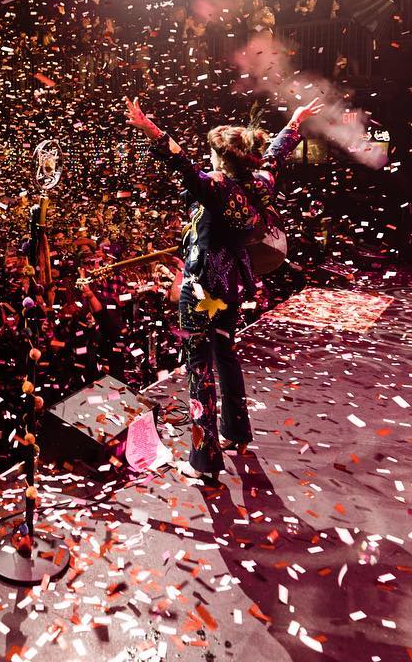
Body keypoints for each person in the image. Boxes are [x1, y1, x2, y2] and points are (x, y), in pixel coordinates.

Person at [123, 95, 323, 481]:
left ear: (221, 158)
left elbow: (180, 161)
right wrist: (294, 122)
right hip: (230, 286)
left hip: (200, 290)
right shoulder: (259, 183)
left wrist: (149, 128)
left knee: (199, 368)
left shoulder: (216, 187)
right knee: (226, 356)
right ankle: (237, 432)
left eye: (212, 154)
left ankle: (205, 460)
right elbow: (275, 155)